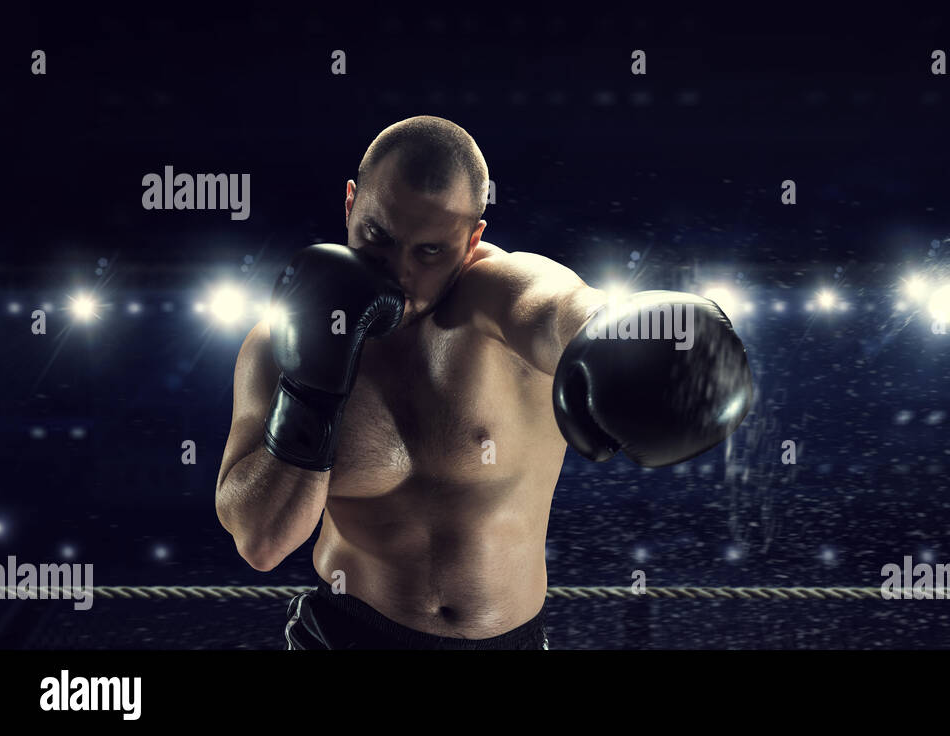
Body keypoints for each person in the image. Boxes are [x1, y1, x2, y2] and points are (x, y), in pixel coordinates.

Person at [215, 116, 752, 649]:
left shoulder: (497, 298)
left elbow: (564, 307)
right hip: (346, 635)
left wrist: (629, 331)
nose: (398, 273)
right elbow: (262, 543)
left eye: (430, 251)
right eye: (378, 235)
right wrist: (314, 385)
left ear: (473, 240)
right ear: (351, 202)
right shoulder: (279, 343)